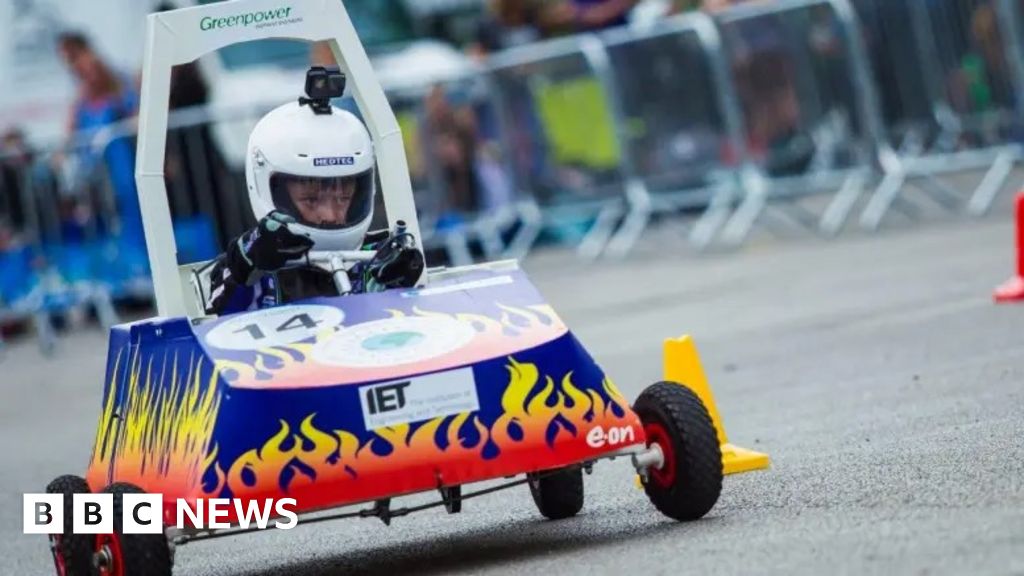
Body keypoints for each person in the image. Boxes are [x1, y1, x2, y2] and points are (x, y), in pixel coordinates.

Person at [206, 69, 425, 315]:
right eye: (311, 199)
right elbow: (216, 313)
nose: (330, 215)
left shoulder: (380, 262)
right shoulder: (250, 270)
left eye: (343, 198)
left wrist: (396, 290)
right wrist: (246, 262)